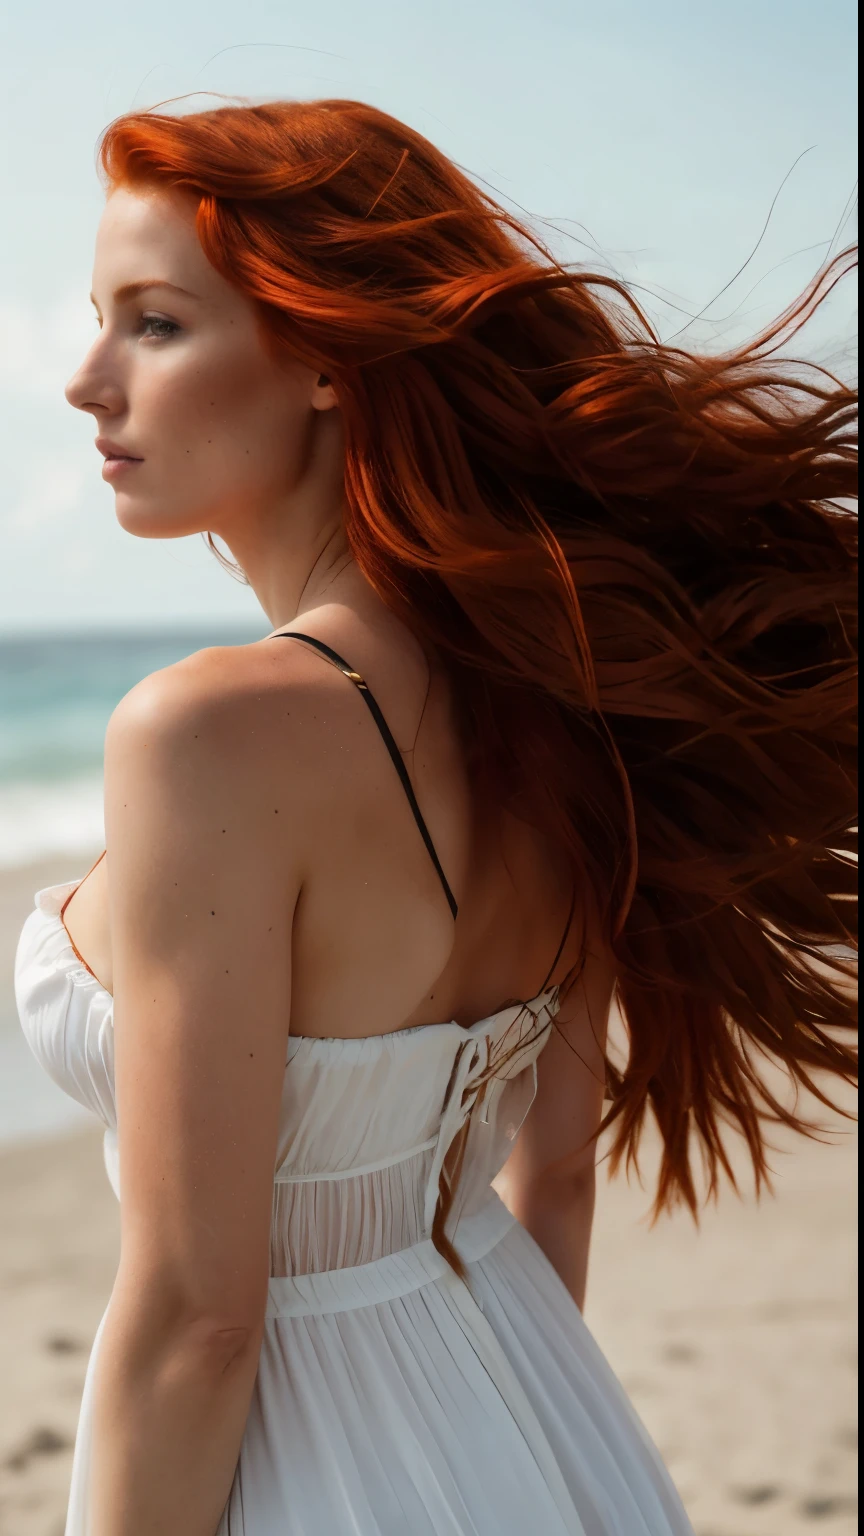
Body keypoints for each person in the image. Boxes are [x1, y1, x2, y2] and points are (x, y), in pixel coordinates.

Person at [14, 98, 857, 1536]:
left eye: (154, 324)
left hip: (305, 1457)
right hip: (535, 1410)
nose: (88, 381)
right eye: (100, 319)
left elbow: (201, 1321)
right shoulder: (563, 690)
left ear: (328, 354)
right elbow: (557, 1181)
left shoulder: (206, 734)